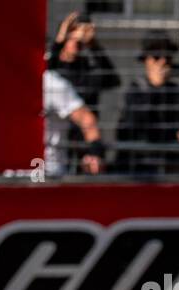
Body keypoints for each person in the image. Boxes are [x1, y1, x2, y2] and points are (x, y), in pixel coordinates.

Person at [114, 33, 179, 176]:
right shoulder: (136, 91)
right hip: (140, 170)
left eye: (168, 58)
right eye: (157, 57)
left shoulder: (178, 92)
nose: (163, 62)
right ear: (146, 60)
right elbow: (135, 126)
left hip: (171, 170)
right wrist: (155, 88)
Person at [46, 12, 120, 174]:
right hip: (59, 143)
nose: (77, 40)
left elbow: (113, 80)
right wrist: (59, 40)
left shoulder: (87, 68)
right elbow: (43, 74)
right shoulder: (54, 69)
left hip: (85, 143)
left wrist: (94, 45)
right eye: (73, 34)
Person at [43, 70, 102, 177]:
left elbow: (86, 119)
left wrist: (94, 154)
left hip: (49, 171)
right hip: (7, 172)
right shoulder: (4, 82)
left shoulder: (52, 83)